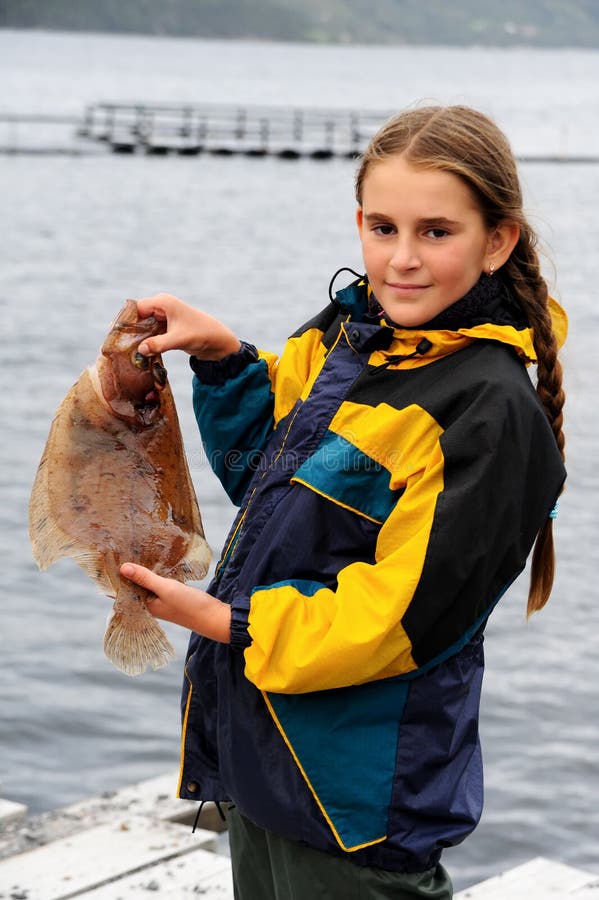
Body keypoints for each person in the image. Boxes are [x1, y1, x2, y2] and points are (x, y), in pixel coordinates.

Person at [120, 105, 567, 899]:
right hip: (265, 748)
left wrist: (228, 623)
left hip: (357, 791)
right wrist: (224, 362)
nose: (401, 259)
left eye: (436, 232)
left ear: (497, 241)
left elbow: (404, 615)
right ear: (357, 222)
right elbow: (269, 480)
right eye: (383, 227)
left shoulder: (490, 412)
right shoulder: (344, 336)